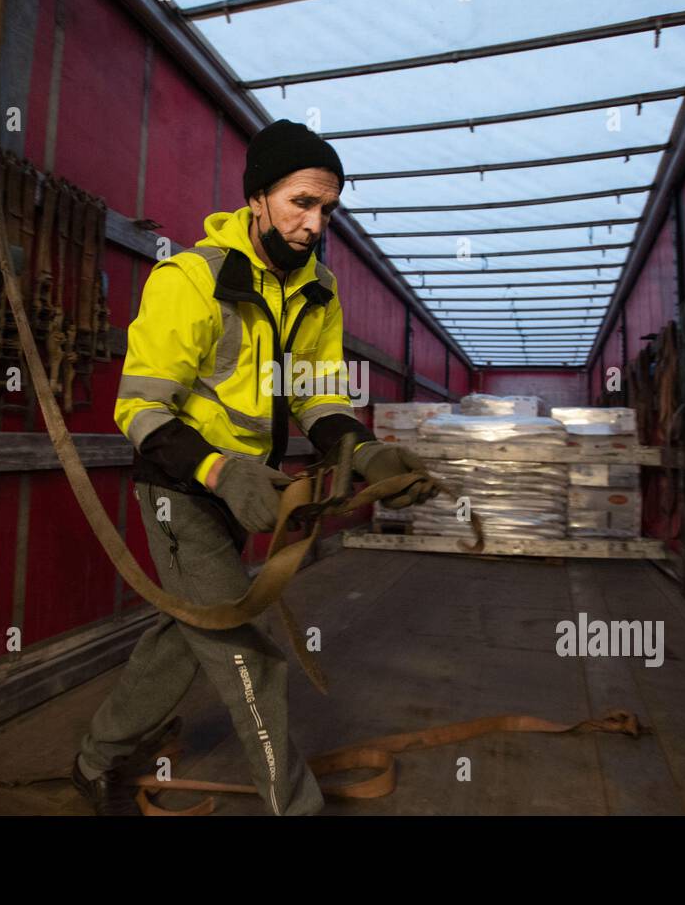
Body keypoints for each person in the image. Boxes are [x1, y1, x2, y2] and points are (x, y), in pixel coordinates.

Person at [71, 119, 438, 815]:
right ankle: (295, 806)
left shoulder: (318, 290)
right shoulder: (190, 280)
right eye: (301, 202)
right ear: (258, 198)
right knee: (249, 656)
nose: (313, 222)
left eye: (327, 208)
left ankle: (94, 758)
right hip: (183, 490)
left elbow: (317, 399)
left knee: (185, 639)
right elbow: (140, 411)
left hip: (246, 496)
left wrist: (367, 454)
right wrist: (219, 472)